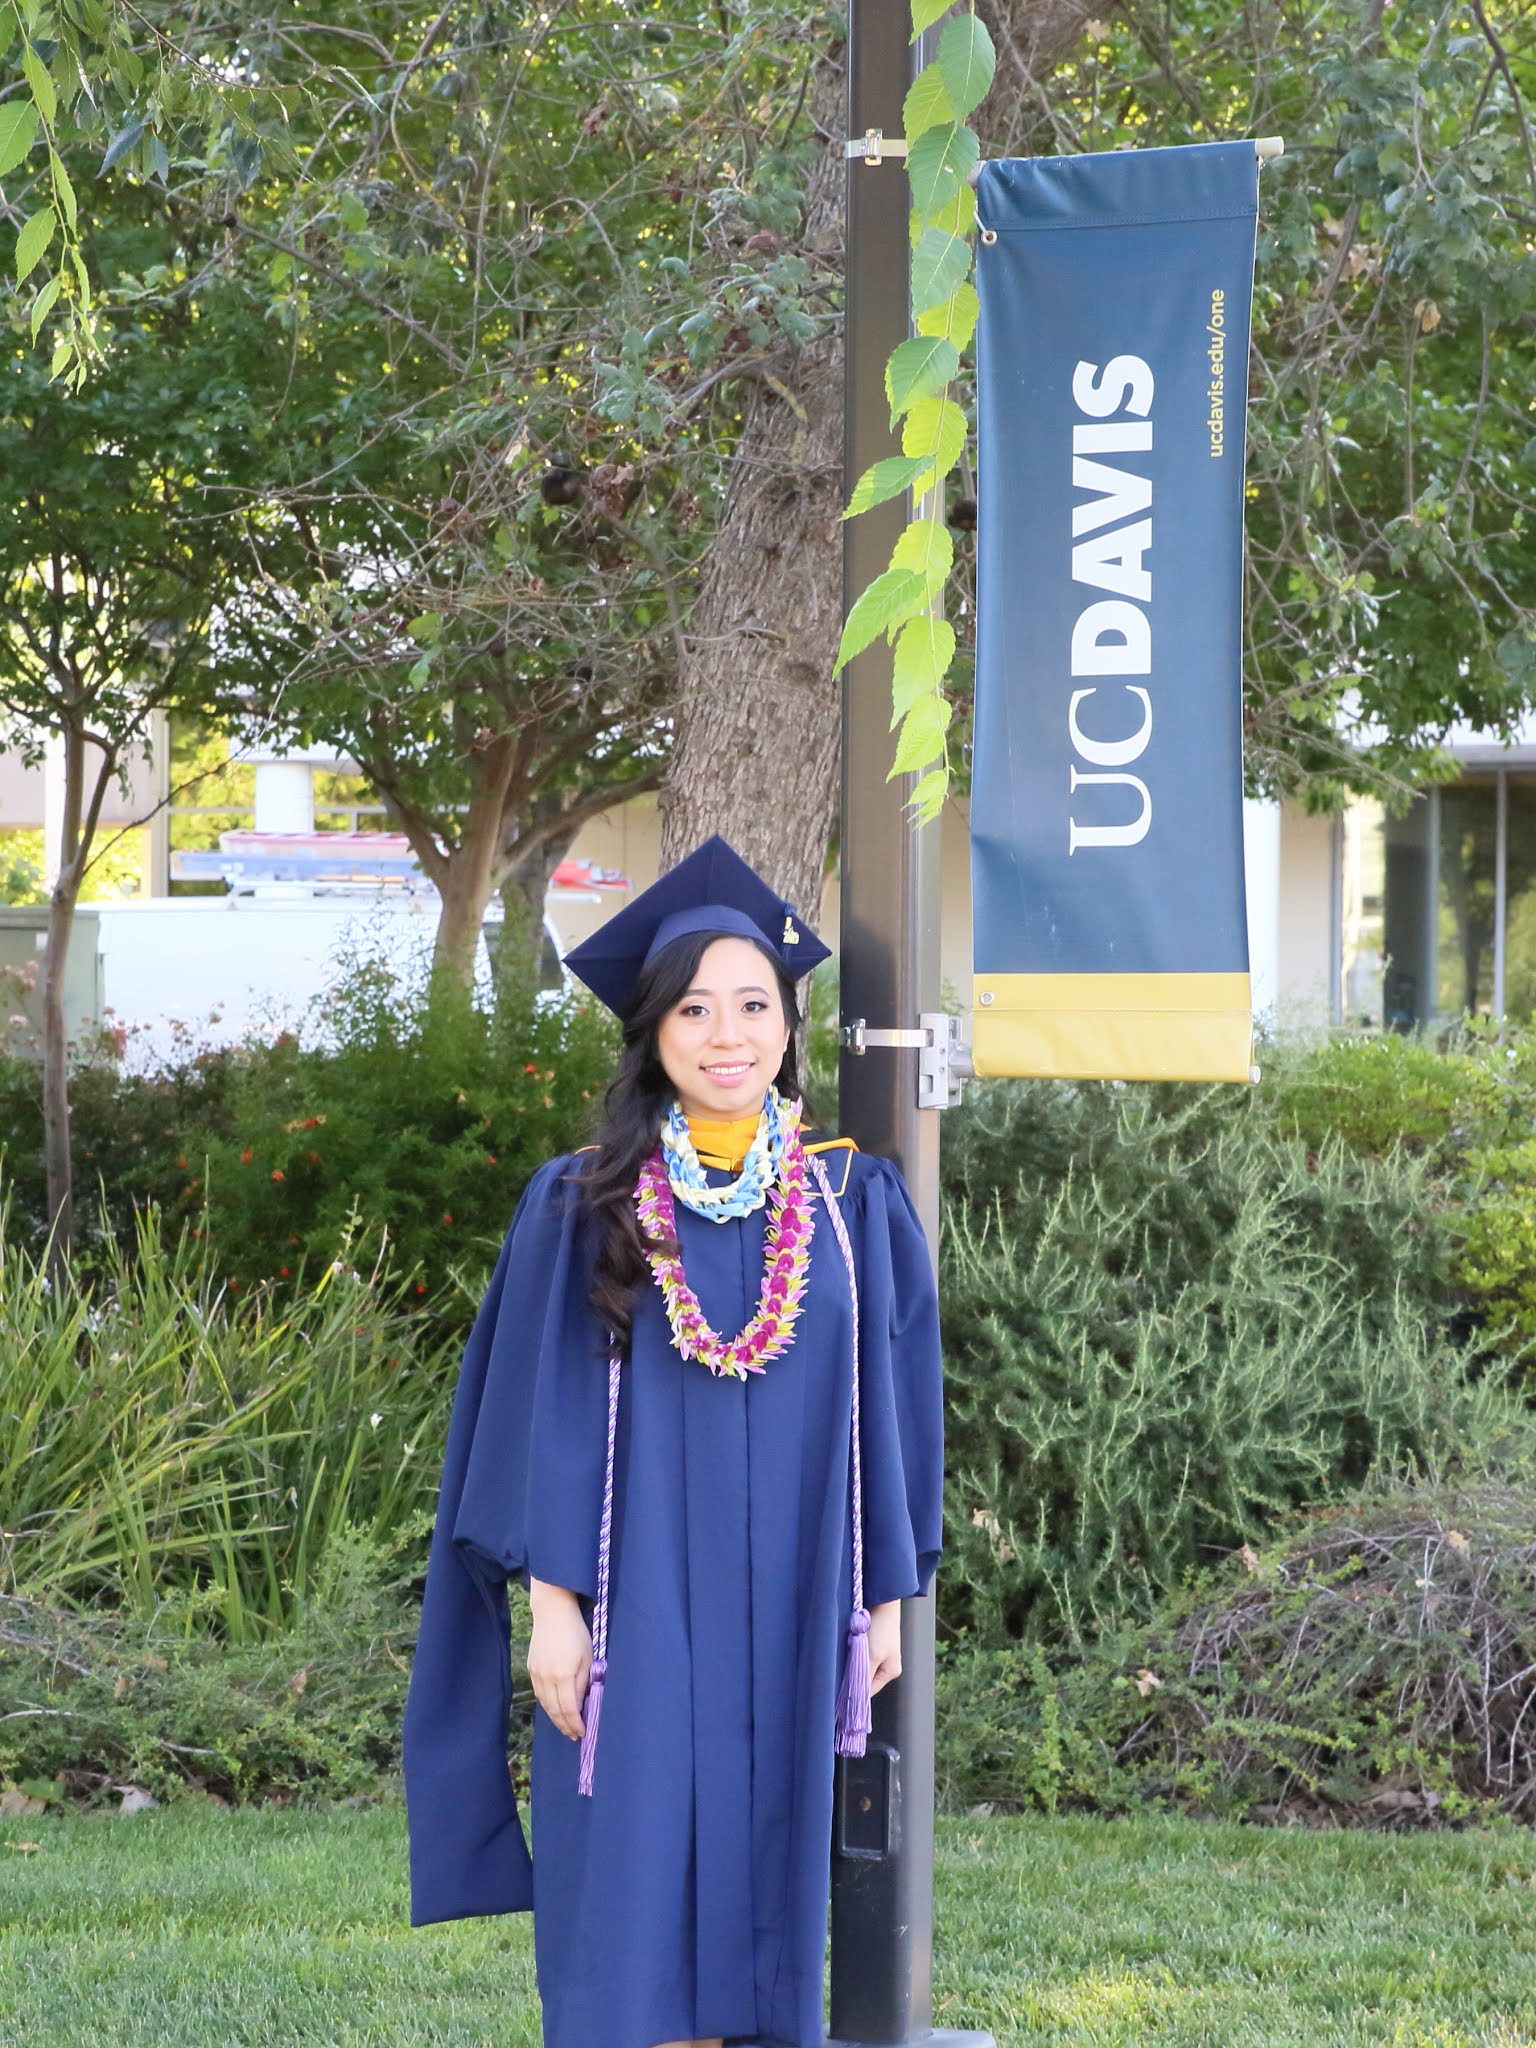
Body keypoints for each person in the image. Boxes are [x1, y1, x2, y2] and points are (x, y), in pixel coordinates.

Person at [402, 835, 945, 2048]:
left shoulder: (852, 1204)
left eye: (754, 1003)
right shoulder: (582, 1199)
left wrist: (889, 1592)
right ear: (652, 1033)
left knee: (768, 1894)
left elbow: (897, 1402)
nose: (727, 1033)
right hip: (635, 1605)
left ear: (790, 1024)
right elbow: (533, 1406)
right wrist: (555, 1600)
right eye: (693, 1008)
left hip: (799, 1605)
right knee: (633, 1902)